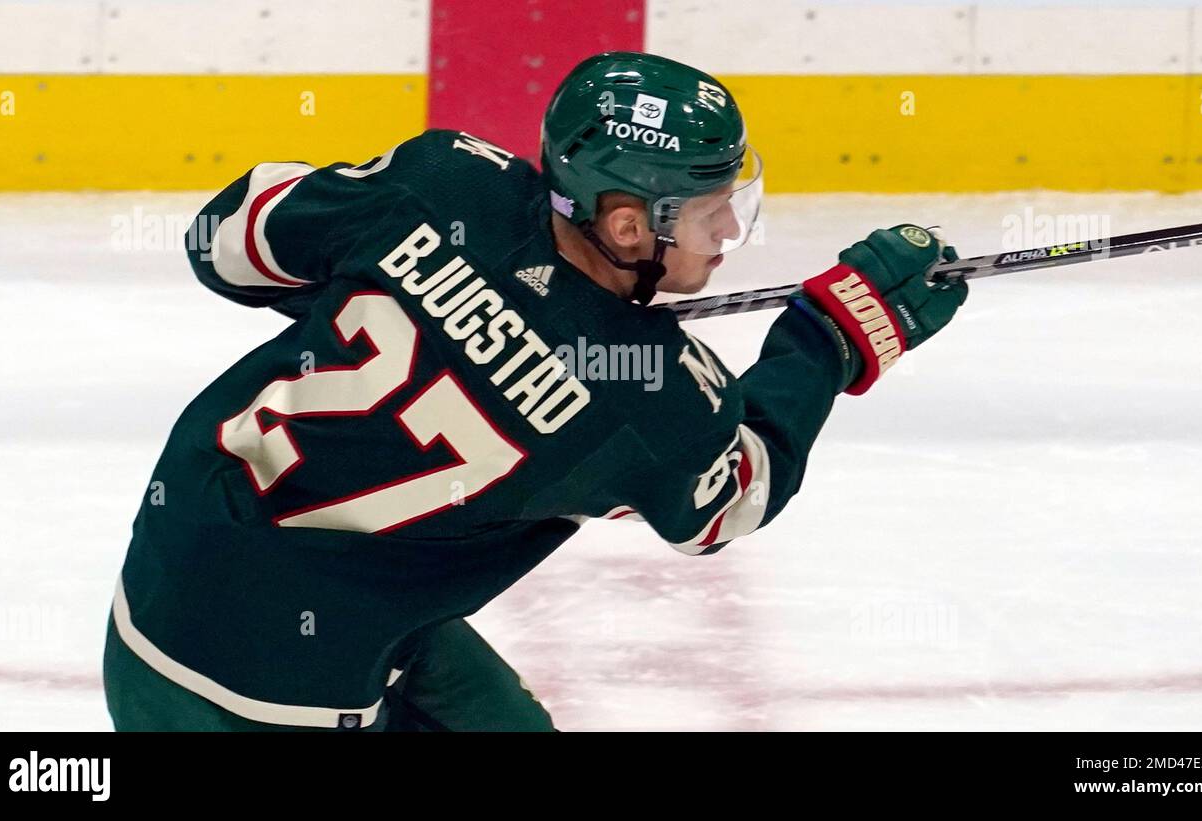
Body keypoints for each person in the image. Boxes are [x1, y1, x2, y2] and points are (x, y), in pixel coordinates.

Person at [102, 51, 968, 731]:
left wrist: (395, 279)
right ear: (629, 226)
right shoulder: (654, 400)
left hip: (193, 554)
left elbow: (223, 238)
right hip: (250, 696)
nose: (730, 231)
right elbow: (727, 500)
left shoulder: (443, 179)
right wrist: (829, 339)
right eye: (712, 213)